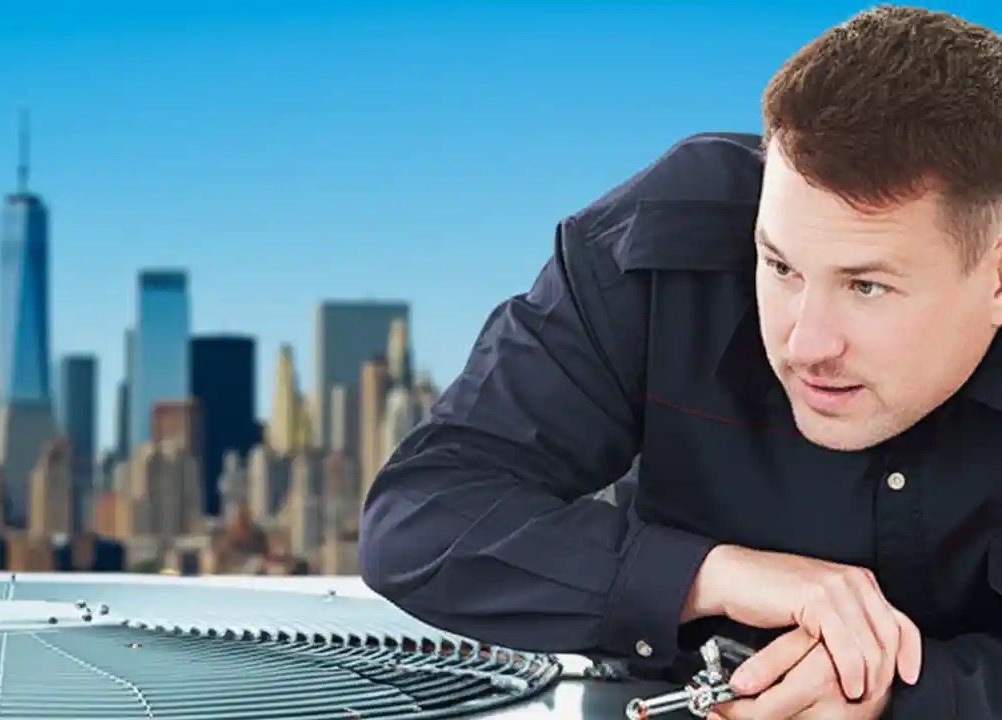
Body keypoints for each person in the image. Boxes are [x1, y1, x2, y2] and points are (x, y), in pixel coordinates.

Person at [357, 6, 1002, 720]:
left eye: (867, 286)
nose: (805, 343)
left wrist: (898, 694)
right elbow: (419, 519)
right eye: (781, 265)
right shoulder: (662, 241)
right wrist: (708, 574)